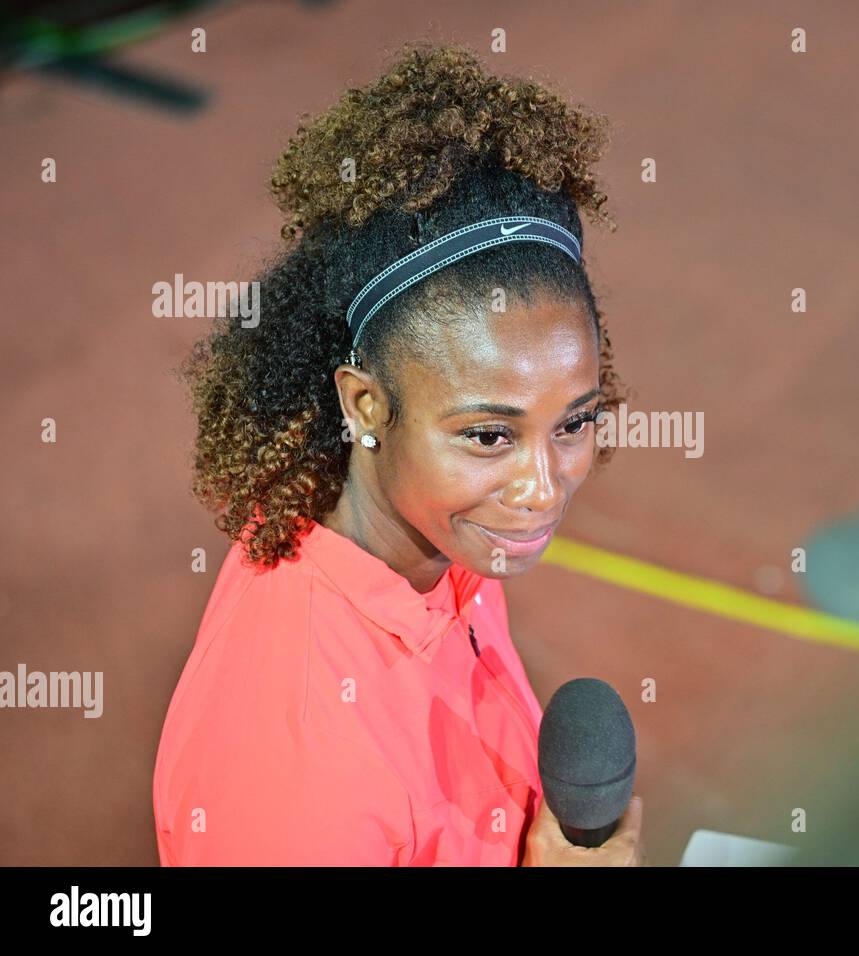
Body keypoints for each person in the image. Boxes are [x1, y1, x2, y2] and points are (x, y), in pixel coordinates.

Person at [152, 42, 645, 866]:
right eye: (490, 435)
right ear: (366, 405)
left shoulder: (434, 541)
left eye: (574, 423)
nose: (541, 488)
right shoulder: (300, 772)